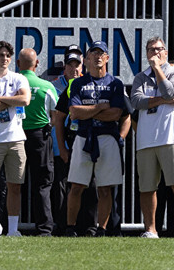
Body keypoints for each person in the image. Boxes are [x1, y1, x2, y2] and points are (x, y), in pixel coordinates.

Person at [54, 43, 128, 236]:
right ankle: (70, 228)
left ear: (107, 58)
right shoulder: (77, 84)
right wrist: (100, 107)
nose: (97, 57)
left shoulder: (115, 84)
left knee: (105, 189)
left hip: (107, 138)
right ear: (86, 60)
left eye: (101, 53)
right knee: (76, 186)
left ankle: (101, 229)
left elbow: (117, 114)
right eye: (93, 53)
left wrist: (90, 112)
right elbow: (75, 112)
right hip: (83, 138)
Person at [129, 36, 174, 238]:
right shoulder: (140, 77)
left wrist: (158, 70)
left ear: (165, 52)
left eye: (159, 49)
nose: (155, 53)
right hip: (146, 139)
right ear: (146, 53)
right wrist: (163, 100)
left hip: (171, 137)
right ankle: (151, 230)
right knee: (147, 187)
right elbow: (136, 101)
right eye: (151, 50)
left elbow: (171, 91)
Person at [16, 46, 60, 234]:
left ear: (18, 63)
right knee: (42, 183)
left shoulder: (12, 84)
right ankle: (44, 228)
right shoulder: (46, 86)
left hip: (15, 135)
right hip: (40, 137)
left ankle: (6, 225)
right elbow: (55, 116)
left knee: (12, 183)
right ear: (37, 63)